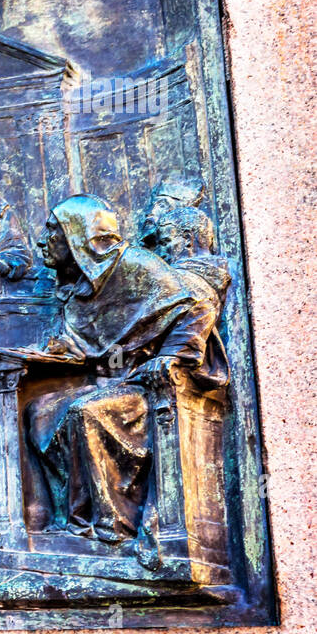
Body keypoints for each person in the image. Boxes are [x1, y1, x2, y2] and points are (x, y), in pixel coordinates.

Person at [22, 195, 225, 543]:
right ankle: (76, 513)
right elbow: (94, 343)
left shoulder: (134, 264)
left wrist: (172, 355)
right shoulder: (84, 289)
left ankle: (113, 523)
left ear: (78, 236)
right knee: (40, 412)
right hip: (115, 380)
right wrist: (59, 349)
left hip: (152, 382)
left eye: (53, 231)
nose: (43, 241)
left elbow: (198, 304)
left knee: (87, 412)